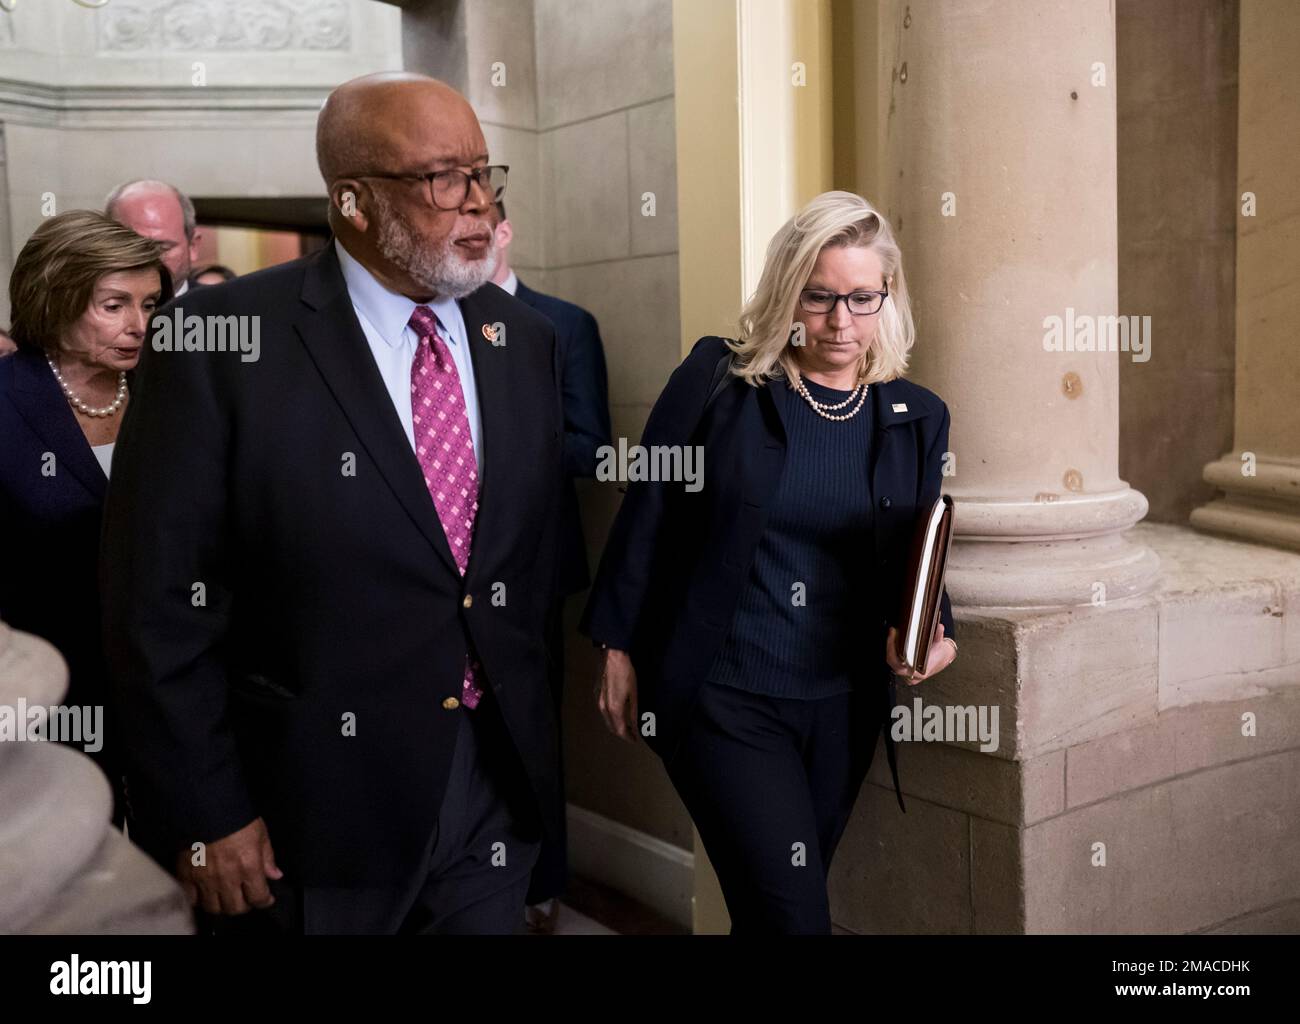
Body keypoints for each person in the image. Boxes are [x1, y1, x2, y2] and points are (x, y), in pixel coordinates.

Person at [101, 71, 566, 935]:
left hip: (489, 791)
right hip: (307, 816)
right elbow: (157, 606)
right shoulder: (218, 345)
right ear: (352, 200)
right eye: (442, 179)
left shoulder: (523, 341)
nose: (476, 205)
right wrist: (206, 813)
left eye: (482, 173)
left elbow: (521, 571)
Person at [581, 190, 958, 934]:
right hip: (725, 699)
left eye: (861, 298)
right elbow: (649, 506)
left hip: (842, 705)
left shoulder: (915, 415)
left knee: (773, 909)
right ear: (789, 291)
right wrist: (616, 644)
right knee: (793, 919)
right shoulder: (721, 382)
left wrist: (934, 635)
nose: (840, 322)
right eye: (819, 298)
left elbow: (920, 551)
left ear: (888, 297)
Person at [0, 210, 171, 823]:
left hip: (171, 697)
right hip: (48, 705)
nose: (139, 326)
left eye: (150, 304)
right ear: (55, 297)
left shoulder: (175, 391)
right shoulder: (6, 398)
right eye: (114, 305)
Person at [485, 199, 611, 931]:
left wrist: (498, 440)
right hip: (439, 571)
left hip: (532, 567)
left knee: (532, 732)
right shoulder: (421, 326)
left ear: (506, 231)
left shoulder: (565, 324)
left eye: (483, 227)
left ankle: (539, 887)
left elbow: (592, 446)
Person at [105, 179, 201, 296]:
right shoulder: (82, 309)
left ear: (193, 246)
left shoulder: (220, 311)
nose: (149, 259)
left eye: (162, 248)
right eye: (134, 248)